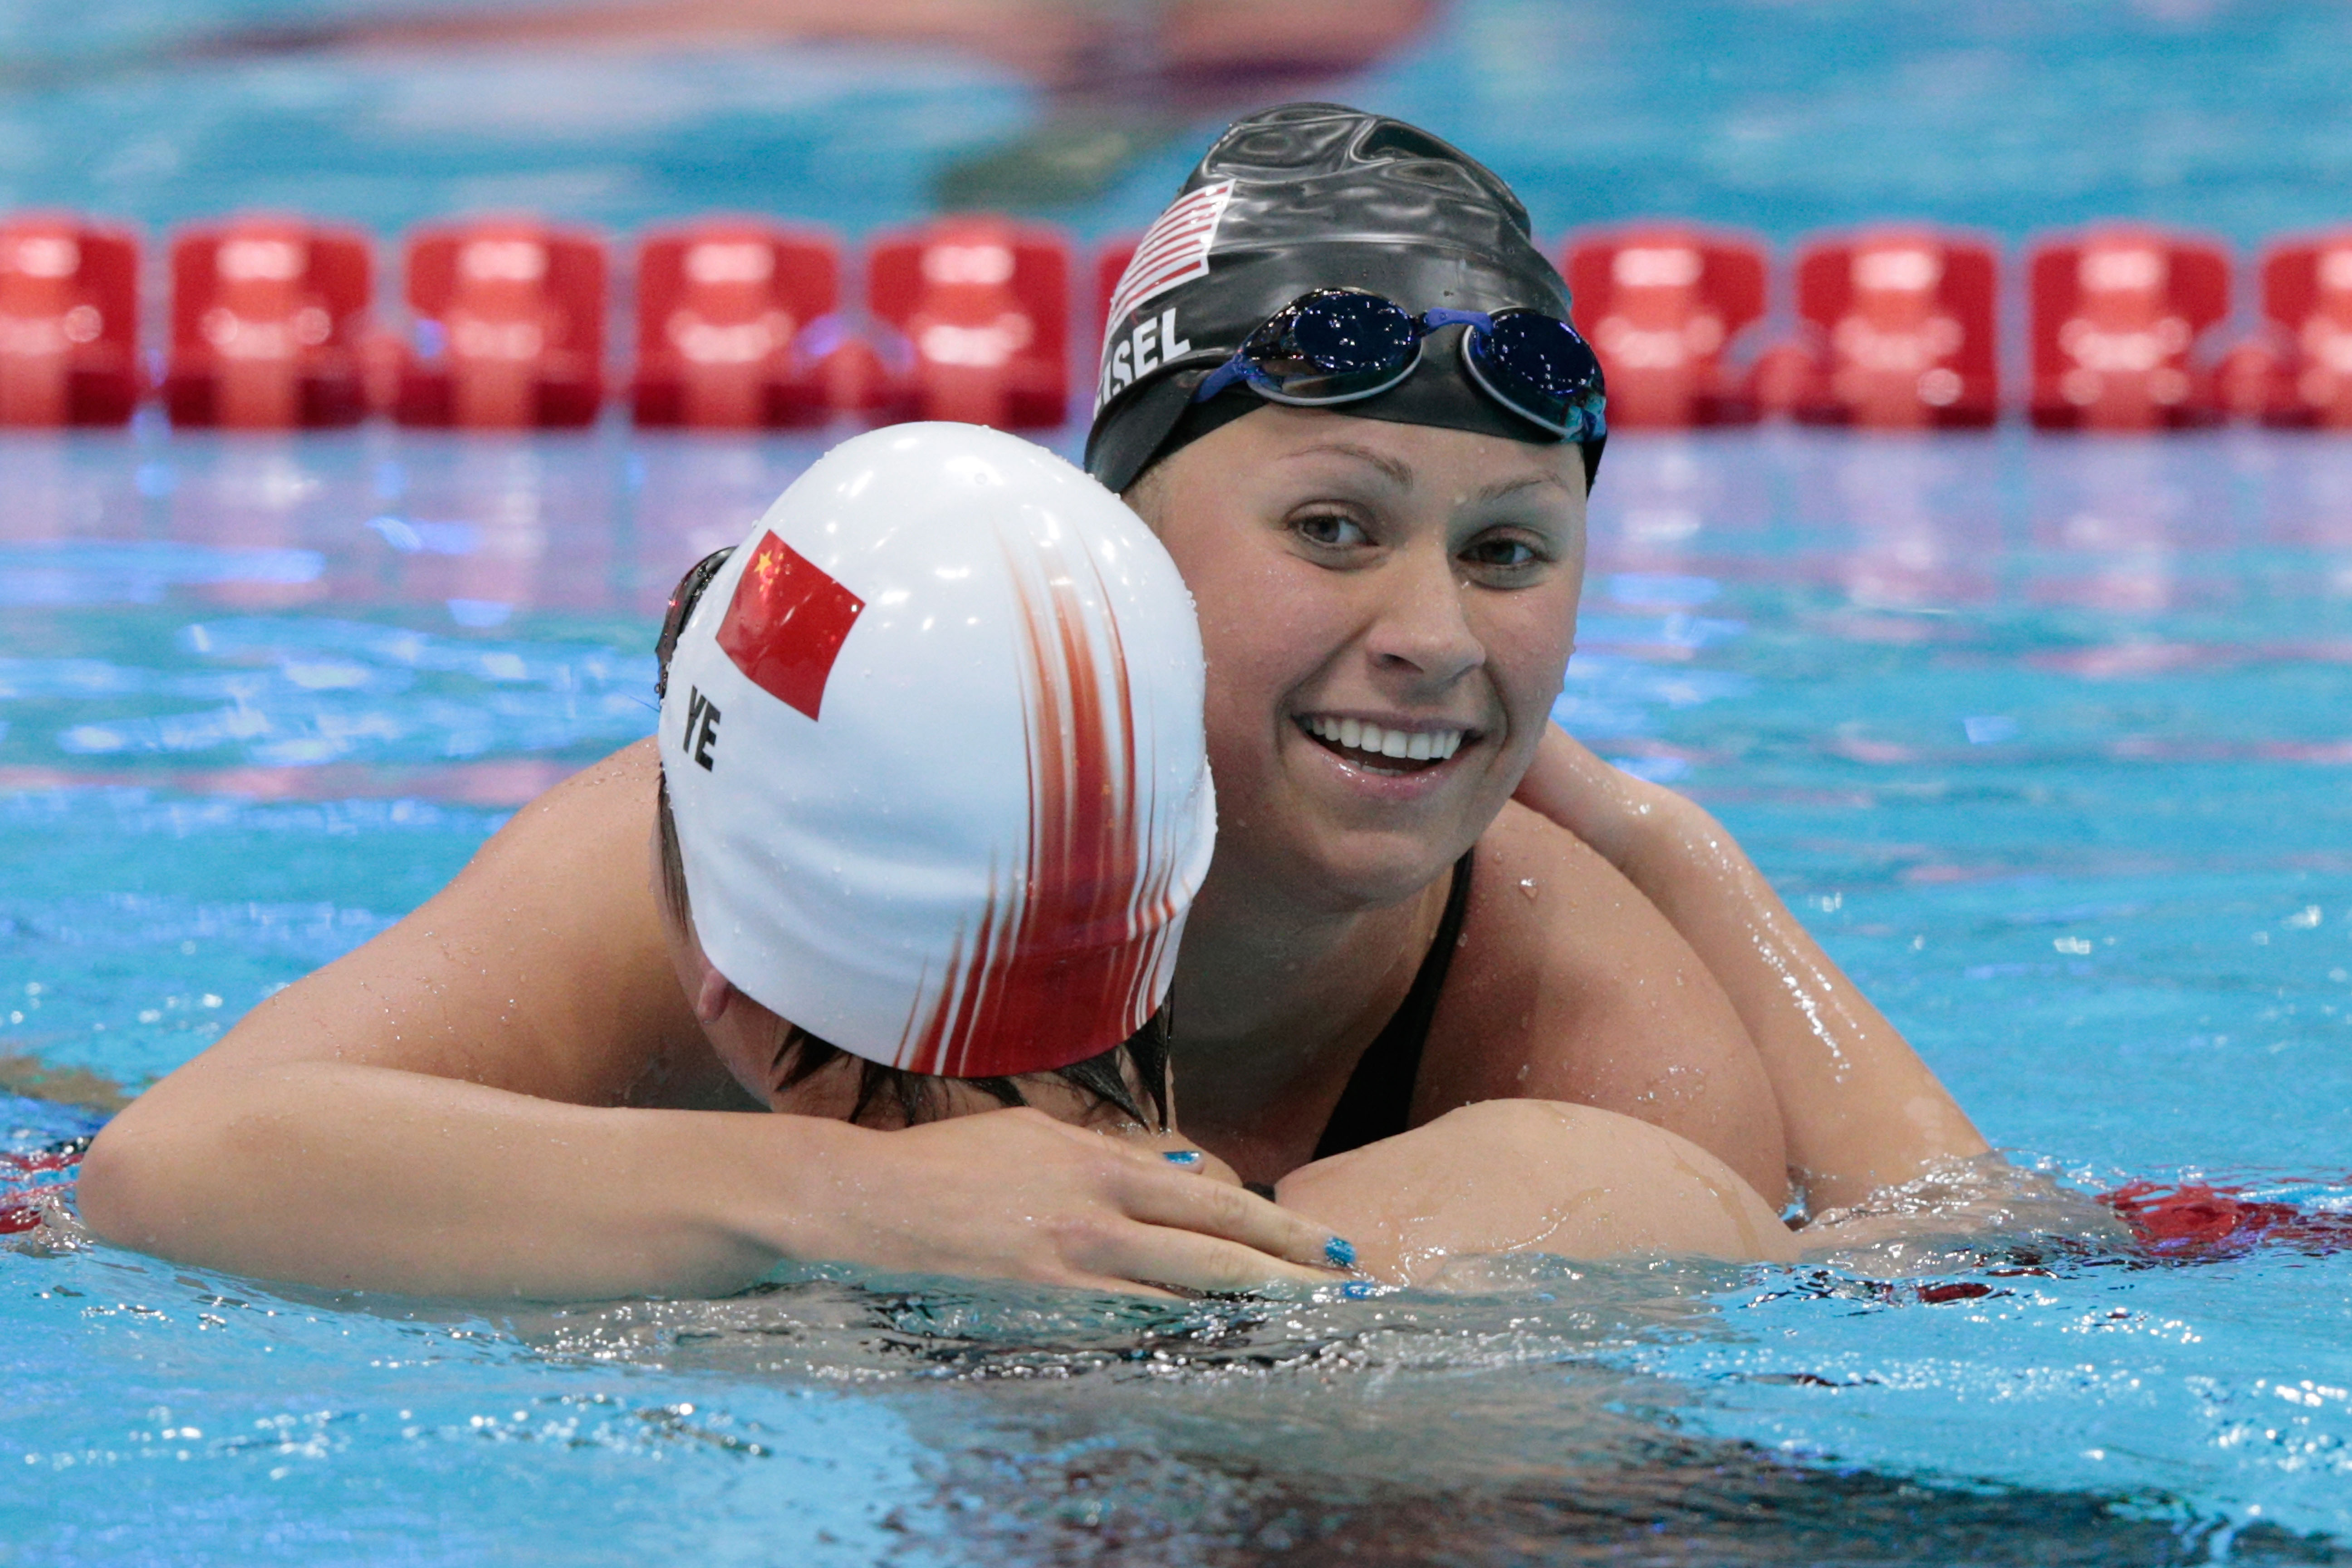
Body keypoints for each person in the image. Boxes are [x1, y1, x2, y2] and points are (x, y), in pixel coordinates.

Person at [78, 104, 1979, 1298]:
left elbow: (1942, 1291)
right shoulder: (813, 804)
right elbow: (175, 1161)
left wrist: (1667, 839)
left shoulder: (1569, 996)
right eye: (1335, 527)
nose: (1434, 633)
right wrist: (842, 1205)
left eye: (1506, 557)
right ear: (1113, 540)